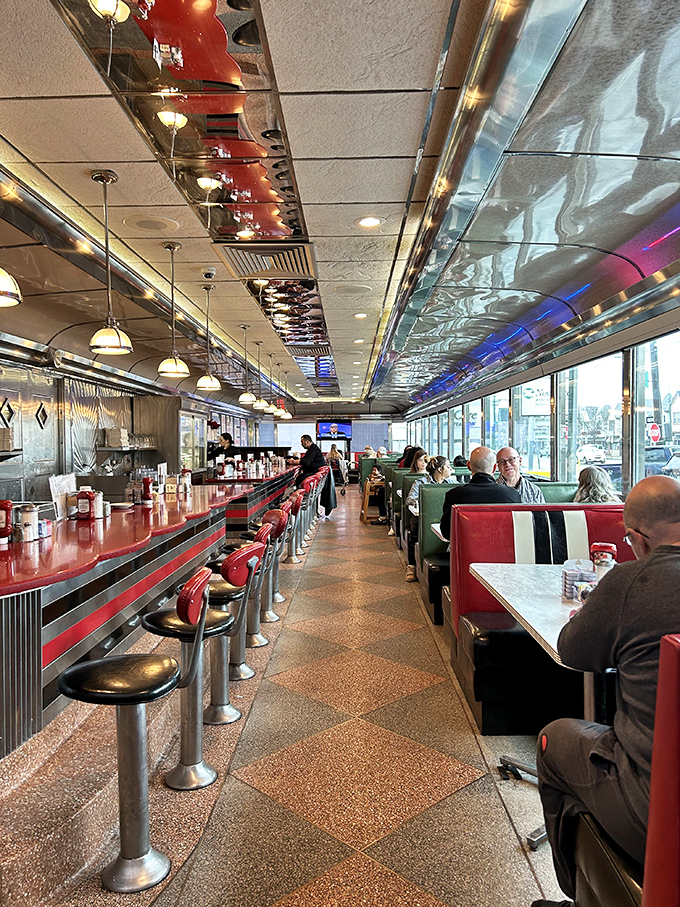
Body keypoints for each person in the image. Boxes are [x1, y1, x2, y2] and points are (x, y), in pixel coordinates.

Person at [533, 475, 680, 907]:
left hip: (657, 810)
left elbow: (572, 650)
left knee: (554, 739)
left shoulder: (631, 580)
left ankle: (577, 895)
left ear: (637, 539)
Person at [439, 447, 521, 540]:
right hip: (503, 553)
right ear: (494, 468)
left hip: (465, 553)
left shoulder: (454, 495)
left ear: (469, 466)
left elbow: (447, 533)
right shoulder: (512, 495)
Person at [404, 456, 453, 581]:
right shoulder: (421, 483)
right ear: (440, 469)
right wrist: (424, 501)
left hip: (444, 517)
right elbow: (409, 500)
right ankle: (412, 565)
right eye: (448, 467)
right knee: (415, 526)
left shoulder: (452, 483)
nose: (451, 470)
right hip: (423, 516)